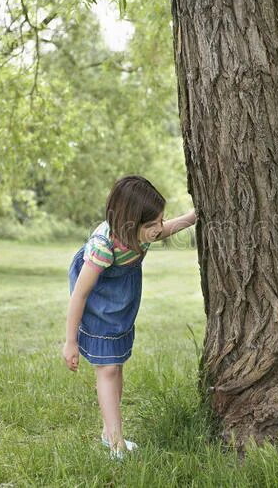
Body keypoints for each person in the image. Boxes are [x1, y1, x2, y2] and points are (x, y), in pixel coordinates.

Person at [62, 175, 196, 458]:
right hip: (99, 304)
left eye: (160, 220)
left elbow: (167, 229)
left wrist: (193, 217)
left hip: (120, 305)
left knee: (116, 365)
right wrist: (70, 341)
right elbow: (80, 295)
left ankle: (108, 433)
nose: (159, 229)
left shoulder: (144, 231)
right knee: (108, 369)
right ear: (129, 224)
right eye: (152, 225)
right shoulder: (103, 247)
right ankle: (115, 444)